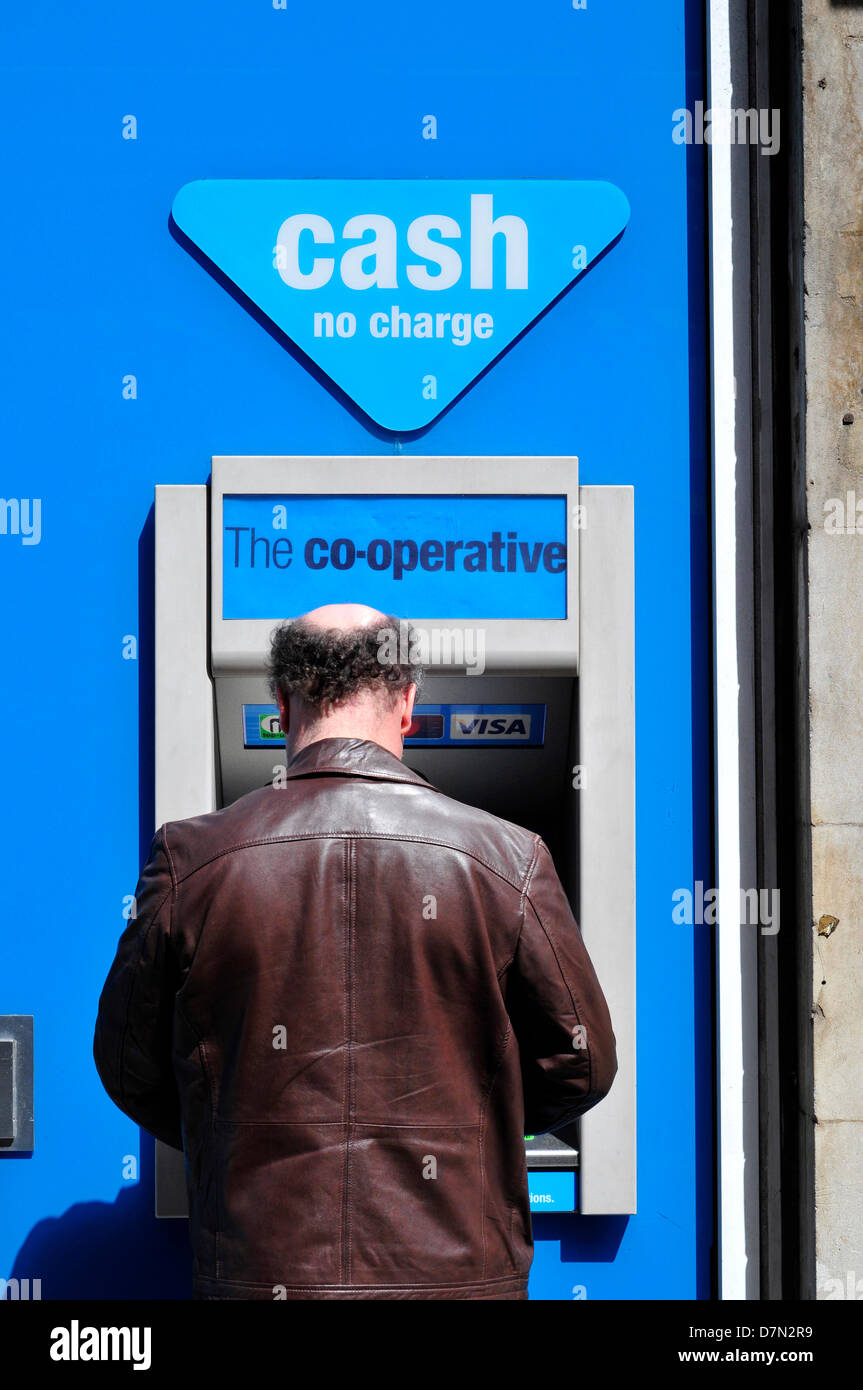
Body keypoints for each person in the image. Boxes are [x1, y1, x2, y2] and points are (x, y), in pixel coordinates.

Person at [93, 603, 617, 1300]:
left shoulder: (192, 857)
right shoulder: (507, 856)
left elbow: (129, 1064)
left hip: (263, 1272)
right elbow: (581, 1064)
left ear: (279, 704)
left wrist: (237, 1139)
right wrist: (465, 1131)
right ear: (407, 703)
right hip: (459, 1276)